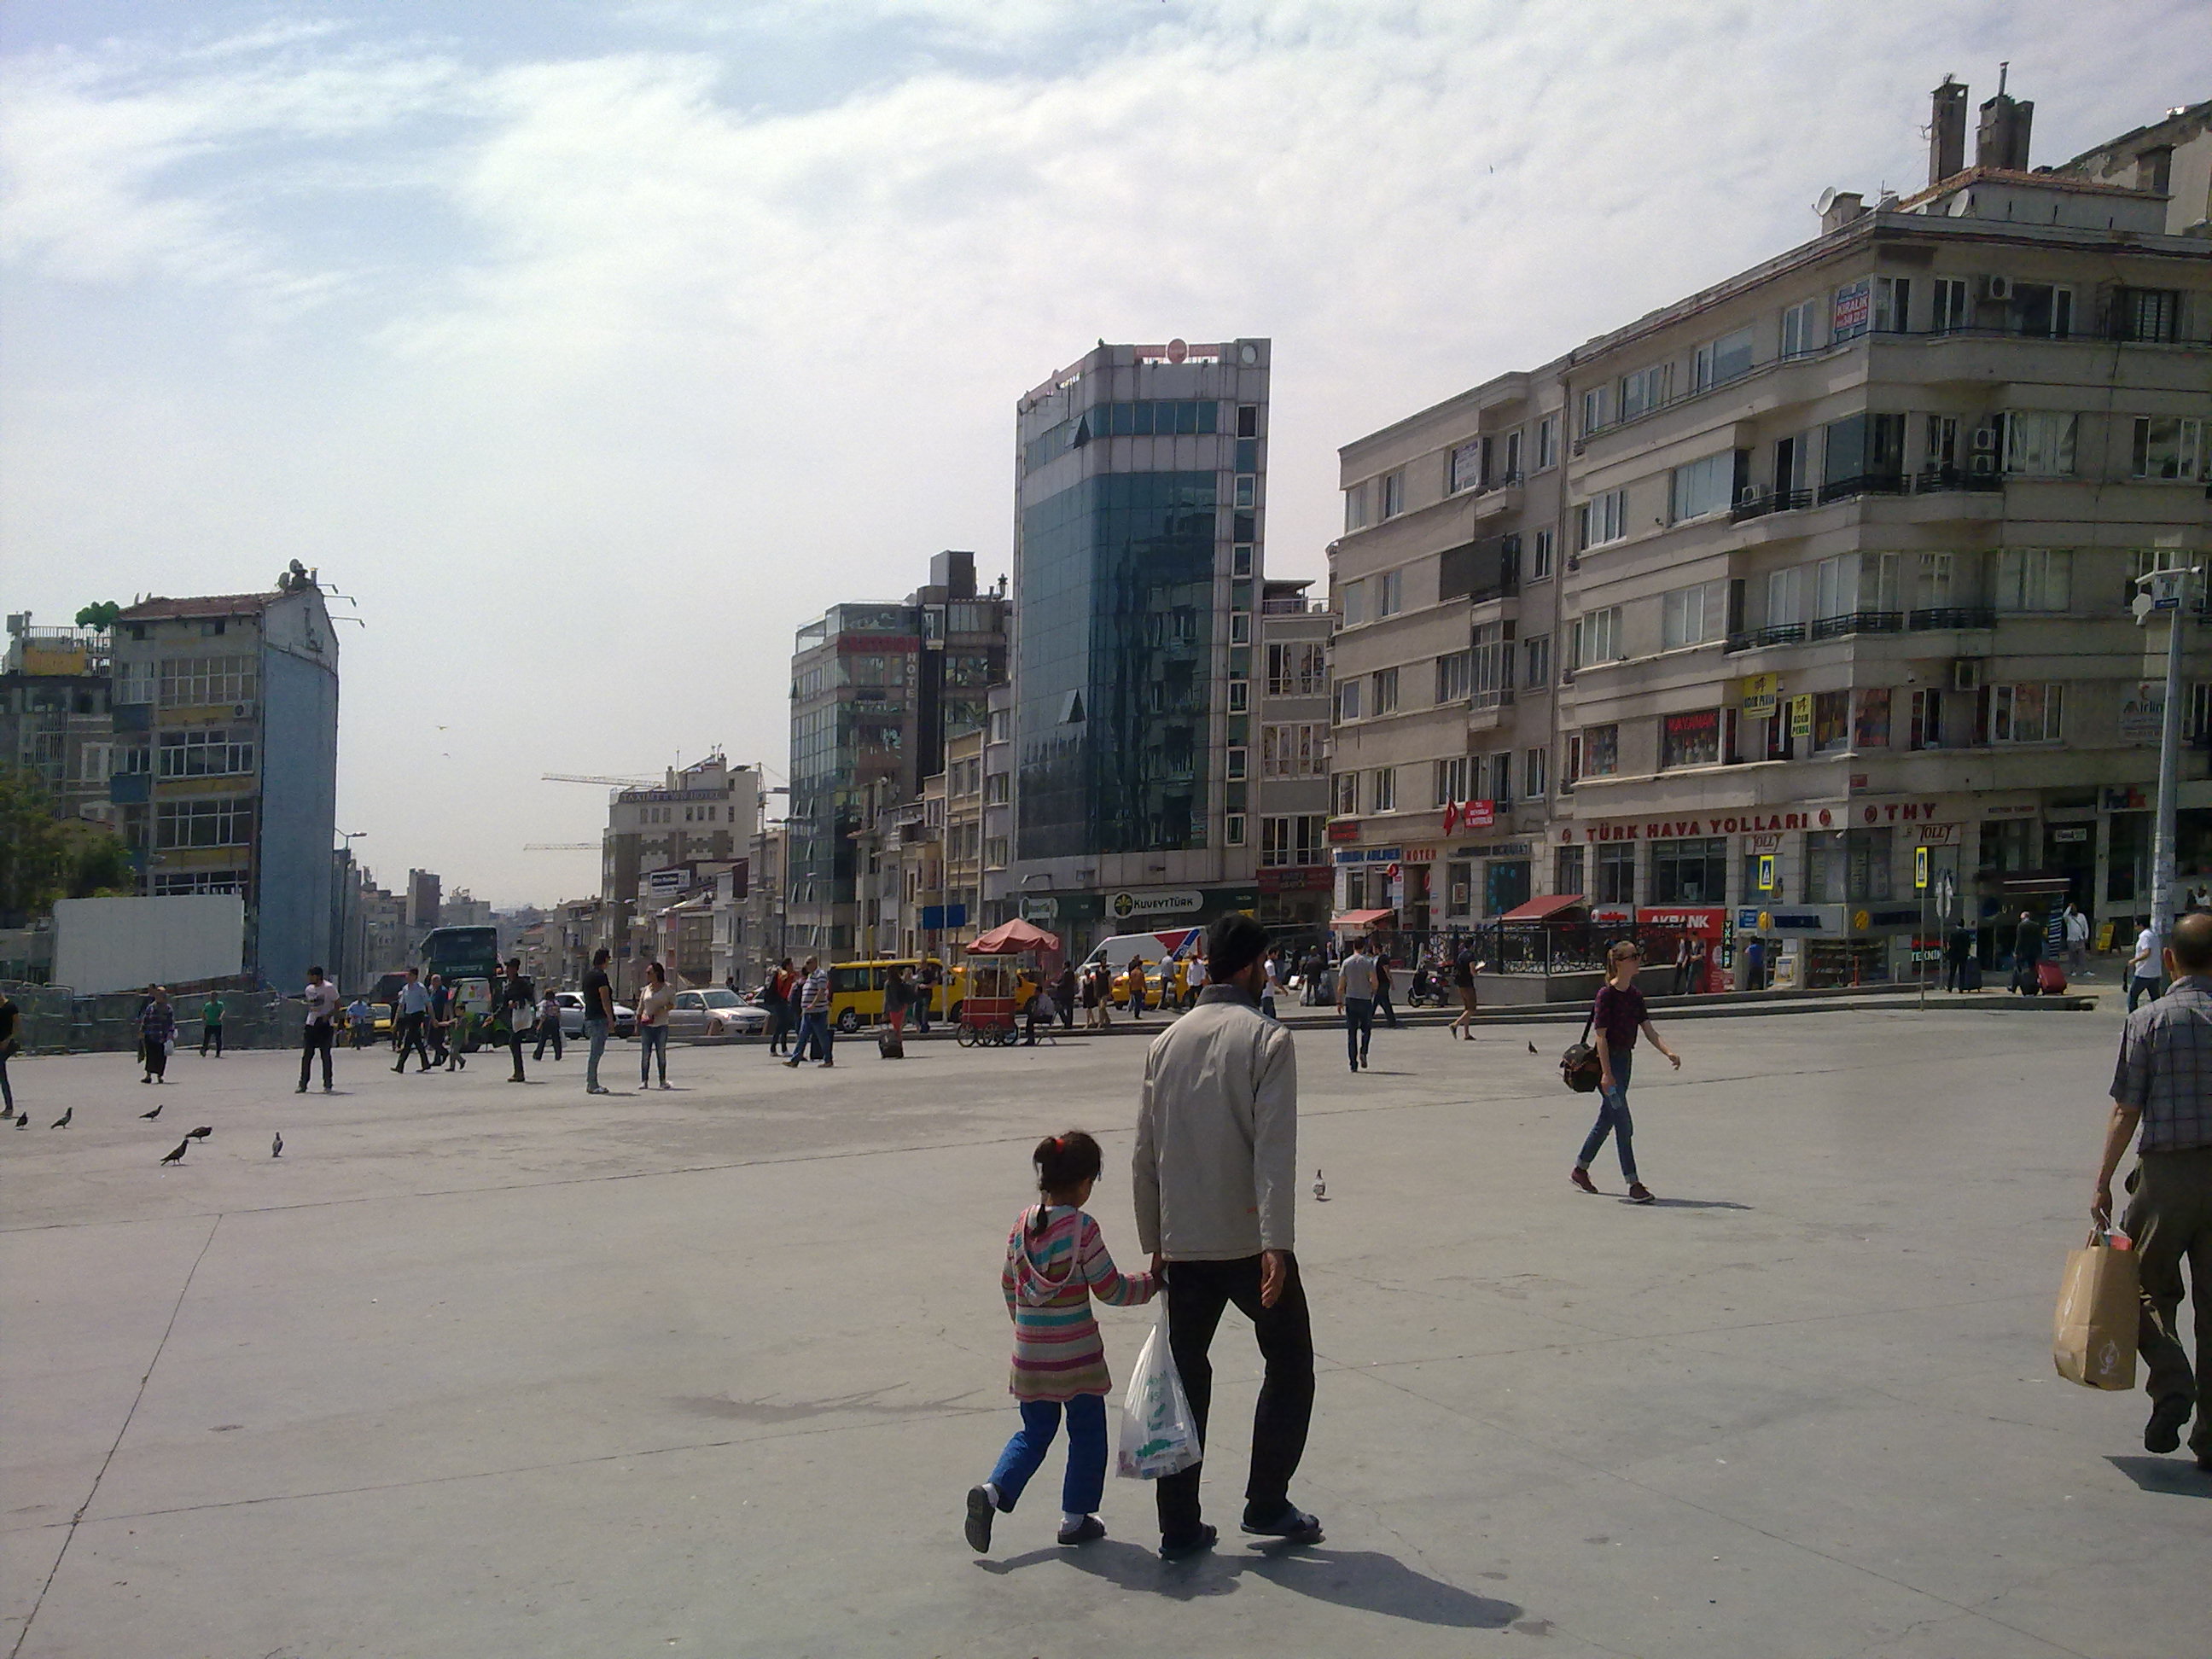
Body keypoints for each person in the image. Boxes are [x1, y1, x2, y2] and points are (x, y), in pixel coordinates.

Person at [1133, 913, 1316, 1560]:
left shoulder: (1166, 1041)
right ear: (1252, 964)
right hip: (1246, 1243)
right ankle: (1266, 1499)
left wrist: (1154, 1240)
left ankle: (1179, 1526)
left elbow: (1144, 1152)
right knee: (1291, 1363)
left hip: (1184, 1245)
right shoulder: (1268, 1039)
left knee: (1185, 1380)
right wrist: (1278, 1243)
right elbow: (1274, 1152)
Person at [965, 1131, 1157, 1553]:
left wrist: (1027, 1330)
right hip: (1078, 1359)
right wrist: (1154, 1282)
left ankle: (993, 1491)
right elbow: (1111, 1289)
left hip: (1030, 1358)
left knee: (1035, 1432)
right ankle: (1076, 1517)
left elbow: (1006, 1282)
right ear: (1086, 1182)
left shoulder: (1021, 1225)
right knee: (1087, 1432)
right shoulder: (1083, 1229)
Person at [2093, 909, 2212, 1473]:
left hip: (2166, 1178)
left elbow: (2126, 1108)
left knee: (2131, 1284)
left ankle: (2172, 1382)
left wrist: (2101, 1183)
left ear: (2169, 961)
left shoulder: (2150, 1020)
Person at [1571, 940, 1681, 1203]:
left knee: (1607, 1119)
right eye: (1633, 957)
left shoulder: (1635, 996)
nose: (1638, 960)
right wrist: (1607, 1075)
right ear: (1620, 962)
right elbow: (1601, 1038)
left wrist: (1668, 1052)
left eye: (1638, 956)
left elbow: (1649, 1030)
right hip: (1607, 1064)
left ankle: (1580, 1168)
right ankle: (1633, 1183)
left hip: (1625, 1063)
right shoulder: (1605, 996)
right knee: (1624, 1123)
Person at [488, 959, 537, 1082]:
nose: (507, 970)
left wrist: (517, 1002)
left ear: (515, 969)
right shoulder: (509, 984)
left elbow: (530, 997)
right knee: (514, 1043)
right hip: (515, 1017)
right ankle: (518, 1072)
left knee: (514, 1042)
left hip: (522, 1016)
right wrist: (494, 1016)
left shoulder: (521, 983)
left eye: (509, 968)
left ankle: (519, 1073)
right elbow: (504, 1004)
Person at [1336, 936, 1378, 1073]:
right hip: (1365, 999)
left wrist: (1339, 1001)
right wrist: (1372, 991)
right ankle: (1364, 1051)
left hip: (1351, 999)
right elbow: (1374, 981)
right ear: (1364, 947)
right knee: (1366, 1029)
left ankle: (1353, 1064)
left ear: (1353, 946)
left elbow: (1341, 984)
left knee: (1351, 1032)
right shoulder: (1368, 962)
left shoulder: (1346, 962)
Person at [298, 966, 341, 1093]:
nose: (309, 978)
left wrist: (328, 1016)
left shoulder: (329, 988)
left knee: (325, 1055)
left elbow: (338, 1004)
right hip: (311, 1024)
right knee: (307, 1055)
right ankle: (303, 1083)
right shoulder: (309, 989)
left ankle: (328, 1083)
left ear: (318, 976)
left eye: (311, 976)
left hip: (325, 1025)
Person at [786, 956, 833, 1068]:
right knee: (802, 1037)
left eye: (808, 963)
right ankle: (795, 1060)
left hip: (818, 1012)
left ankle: (828, 1060)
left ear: (815, 963)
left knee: (822, 1037)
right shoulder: (811, 975)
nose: (806, 965)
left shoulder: (820, 974)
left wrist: (813, 1004)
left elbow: (821, 991)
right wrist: (805, 1009)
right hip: (808, 1013)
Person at [581, 949, 614, 1093]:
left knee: (595, 1050)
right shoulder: (601, 977)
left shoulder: (588, 976)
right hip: (599, 1018)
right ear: (605, 959)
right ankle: (592, 1083)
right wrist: (610, 1018)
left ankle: (592, 1082)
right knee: (596, 1051)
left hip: (590, 1016)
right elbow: (605, 998)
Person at [636, 961, 674, 1088]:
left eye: (649, 973)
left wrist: (662, 1008)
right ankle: (644, 1080)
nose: (647, 975)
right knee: (645, 1054)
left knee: (661, 1053)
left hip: (661, 1025)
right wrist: (638, 1021)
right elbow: (641, 1006)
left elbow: (673, 1004)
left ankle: (662, 1081)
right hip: (647, 1025)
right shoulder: (646, 989)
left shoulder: (667, 988)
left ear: (657, 973)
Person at [393, 968, 434, 1073]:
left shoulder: (420, 988)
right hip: (409, 1015)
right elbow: (401, 1005)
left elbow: (428, 1003)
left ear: (415, 976)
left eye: (410, 975)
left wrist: (433, 1018)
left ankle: (400, 1066)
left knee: (408, 1041)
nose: (407, 977)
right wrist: (395, 1021)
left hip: (418, 1015)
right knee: (417, 1042)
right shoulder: (405, 989)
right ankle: (426, 1063)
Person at [138, 987, 175, 1084]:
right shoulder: (150, 1007)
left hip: (162, 1036)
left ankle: (160, 1076)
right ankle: (148, 1076)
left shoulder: (168, 1008)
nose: (160, 996)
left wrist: (170, 1033)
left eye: (162, 994)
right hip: (150, 1034)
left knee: (161, 1057)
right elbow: (145, 1019)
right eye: (158, 994)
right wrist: (142, 1030)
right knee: (150, 1056)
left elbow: (171, 1022)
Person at [1449, 940, 1480, 1039]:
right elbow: (1472, 972)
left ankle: (1466, 1033)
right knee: (1472, 1008)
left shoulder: (1460, 955)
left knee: (1467, 1009)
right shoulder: (1471, 956)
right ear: (1472, 945)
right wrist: (1479, 969)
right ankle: (1455, 1024)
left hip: (1460, 984)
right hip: (1468, 984)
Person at [2130, 923, 2163, 1012]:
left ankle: (2132, 1016)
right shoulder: (2154, 935)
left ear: (2141, 925)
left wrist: (2134, 960)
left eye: (2136, 925)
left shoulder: (2144, 936)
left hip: (2144, 972)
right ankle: (2159, 1014)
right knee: (2155, 998)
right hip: (2155, 972)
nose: (2135, 928)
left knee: (2132, 996)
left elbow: (2147, 952)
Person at [763, 959, 792, 1057]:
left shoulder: (783, 974)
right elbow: (782, 988)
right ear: (787, 966)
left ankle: (774, 1048)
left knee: (781, 1026)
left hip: (781, 1001)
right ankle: (782, 1049)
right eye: (791, 964)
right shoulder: (784, 975)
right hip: (781, 1001)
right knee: (783, 1025)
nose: (792, 966)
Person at [2011, 910, 2043, 995]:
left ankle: (2014, 987)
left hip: (2023, 952)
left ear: (2023, 918)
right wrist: (2040, 951)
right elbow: (2039, 940)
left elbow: (2019, 940)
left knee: (2018, 969)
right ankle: (2032, 985)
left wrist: (2016, 952)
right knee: (2033, 969)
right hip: (2034, 952)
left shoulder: (2021, 926)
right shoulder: (2036, 925)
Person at [0, 986, 18, 1120]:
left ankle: (9, 1107)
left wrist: (7, 1040)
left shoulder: (10, 1007)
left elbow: (17, 1027)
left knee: (2, 1074)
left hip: (7, 1045)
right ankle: (9, 1107)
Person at [533, 985, 564, 1062]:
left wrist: (539, 1025)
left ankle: (538, 1055)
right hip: (555, 1021)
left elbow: (543, 1015)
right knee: (556, 1039)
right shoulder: (557, 1003)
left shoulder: (545, 1004)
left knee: (543, 1039)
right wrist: (559, 1023)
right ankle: (558, 1055)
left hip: (547, 1021)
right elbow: (559, 1014)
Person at [885, 963, 911, 1040]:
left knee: (896, 1028)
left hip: (893, 1008)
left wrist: (884, 1012)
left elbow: (887, 998)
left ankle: (898, 1042)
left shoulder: (888, 983)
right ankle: (899, 1041)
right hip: (901, 1007)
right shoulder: (900, 981)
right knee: (899, 1027)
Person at [1374, 947, 1399, 1028]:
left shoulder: (1383, 958)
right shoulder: (1378, 958)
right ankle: (1391, 1020)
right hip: (1380, 983)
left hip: (1383, 983)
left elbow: (1387, 970)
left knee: (1384, 1002)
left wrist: (1391, 982)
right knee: (1378, 1002)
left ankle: (1392, 1021)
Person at [915, 958, 940, 1036]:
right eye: (919, 964)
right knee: (917, 1011)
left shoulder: (930, 973)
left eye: (922, 964)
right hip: (918, 994)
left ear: (925, 964)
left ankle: (924, 1028)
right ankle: (922, 1025)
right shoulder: (919, 972)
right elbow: (916, 981)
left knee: (924, 1012)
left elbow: (935, 983)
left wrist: (926, 986)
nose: (920, 965)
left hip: (926, 994)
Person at [1944, 924, 1973, 993]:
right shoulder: (1966, 933)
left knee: (1952, 972)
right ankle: (1961, 988)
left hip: (1954, 955)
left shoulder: (1954, 933)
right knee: (1962, 972)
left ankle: (1950, 987)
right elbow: (1969, 945)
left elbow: (1950, 943)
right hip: (1963, 955)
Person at [2064, 902, 2091, 978]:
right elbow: (2064, 915)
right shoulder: (2068, 918)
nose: (2073, 910)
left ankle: (2084, 971)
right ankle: (2073, 971)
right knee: (2072, 957)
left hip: (2080, 939)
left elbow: (2086, 927)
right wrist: (2069, 907)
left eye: (2074, 908)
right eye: (2072, 909)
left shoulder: (2082, 916)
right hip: (2071, 940)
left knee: (2082, 956)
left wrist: (2086, 936)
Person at [200, 992, 226, 1057]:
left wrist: (220, 1017)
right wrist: (204, 1018)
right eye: (211, 996)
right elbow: (203, 1011)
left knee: (218, 1039)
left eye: (213, 996)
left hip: (217, 1024)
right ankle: (204, 1050)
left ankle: (218, 1053)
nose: (212, 998)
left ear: (216, 997)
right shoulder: (207, 1005)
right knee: (206, 1039)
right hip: (209, 1024)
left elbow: (223, 1011)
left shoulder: (220, 1004)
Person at [1260, 949, 1284, 1022]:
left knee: (1266, 1015)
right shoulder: (1270, 965)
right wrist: (1283, 989)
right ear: (1273, 954)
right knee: (1271, 1017)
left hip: (1266, 993)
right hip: (1267, 994)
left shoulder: (1266, 964)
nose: (1277, 956)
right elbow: (1273, 979)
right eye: (1277, 954)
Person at [1055, 963, 1078, 1030]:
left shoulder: (1067, 973)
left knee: (1059, 1008)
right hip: (1070, 994)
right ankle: (1068, 1024)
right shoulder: (1071, 973)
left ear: (1065, 965)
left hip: (1065, 994)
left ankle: (1066, 1022)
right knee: (1069, 1009)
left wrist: (1057, 985)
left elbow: (1064, 983)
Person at [1125, 958, 1147, 1022]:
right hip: (1138, 988)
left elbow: (1130, 981)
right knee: (1138, 1002)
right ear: (1140, 965)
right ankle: (1136, 1014)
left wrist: (1130, 989)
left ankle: (1135, 1013)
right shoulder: (1140, 972)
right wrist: (1145, 988)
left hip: (1133, 988)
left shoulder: (1132, 972)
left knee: (1135, 1002)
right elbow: (1143, 981)